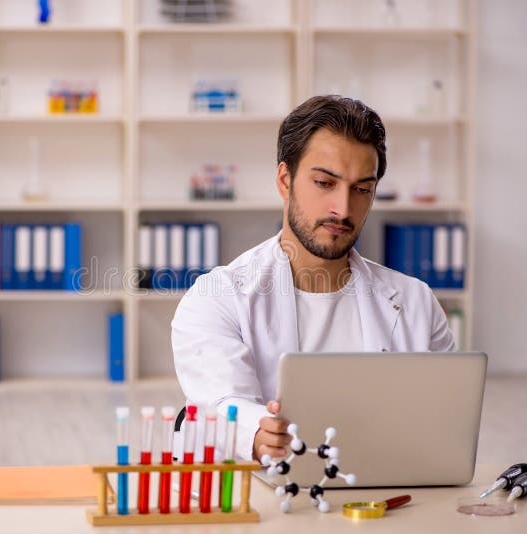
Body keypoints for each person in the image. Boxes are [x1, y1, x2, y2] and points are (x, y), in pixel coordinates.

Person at [172, 95, 455, 462]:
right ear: (285, 180)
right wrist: (258, 432)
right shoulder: (215, 298)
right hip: (268, 500)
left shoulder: (416, 301)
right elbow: (224, 402)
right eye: (325, 182)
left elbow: (446, 422)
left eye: (362, 189)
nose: (343, 208)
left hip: (389, 497)